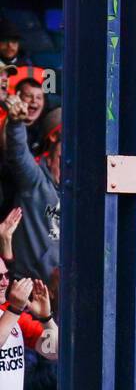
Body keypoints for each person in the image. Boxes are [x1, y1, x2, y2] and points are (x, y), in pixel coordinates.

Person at [3, 92, 59, 280]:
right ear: (54, 138)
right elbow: (18, 153)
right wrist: (16, 124)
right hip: (29, 290)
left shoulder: (82, 187)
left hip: (66, 290)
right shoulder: (35, 180)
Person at [0, 261, 57, 390]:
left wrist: (46, 318)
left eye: (7, 275)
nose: (5, 282)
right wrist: (15, 308)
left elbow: (53, 351)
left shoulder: (11, 314)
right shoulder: (12, 313)